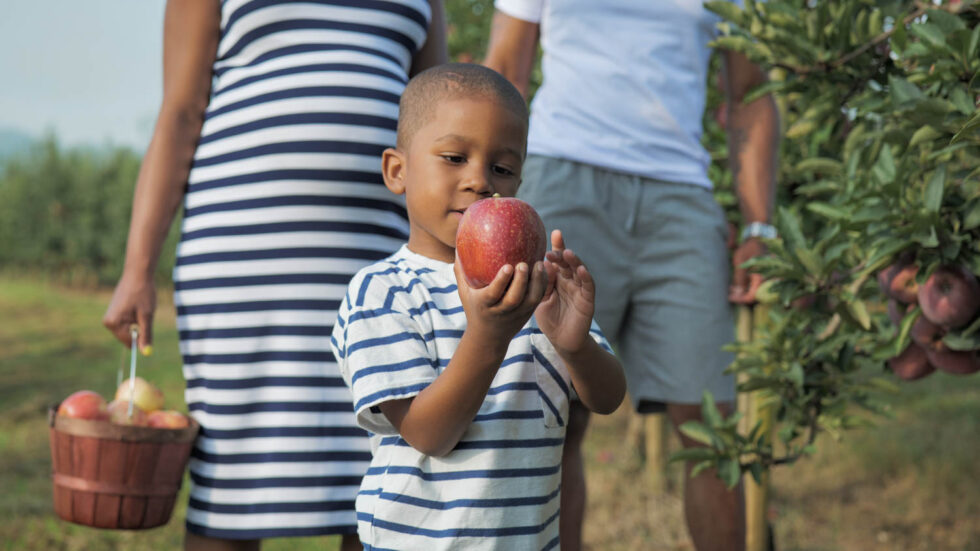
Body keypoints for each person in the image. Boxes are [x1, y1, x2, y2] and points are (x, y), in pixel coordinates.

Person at [101, 1, 446, 549]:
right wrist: (137, 268)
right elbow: (181, 111)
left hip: (383, 266)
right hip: (244, 253)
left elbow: (439, 114)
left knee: (391, 485)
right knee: (233, 488)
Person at [483, 1, 781, 550]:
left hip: (681, 194)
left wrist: (760, 224)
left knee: (710, 425)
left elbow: (750, 96)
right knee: (554, 415)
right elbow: (505, 67)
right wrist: (489, 203)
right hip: (561, 174)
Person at [330, 63, 626, 550]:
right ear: (397, 171)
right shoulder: (383, 292)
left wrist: (576, 347)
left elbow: (608, 398)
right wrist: (488, 337)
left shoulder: (536, 287)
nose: (479, 180)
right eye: (453, 157)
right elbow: (428, 433)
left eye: (503, 168)